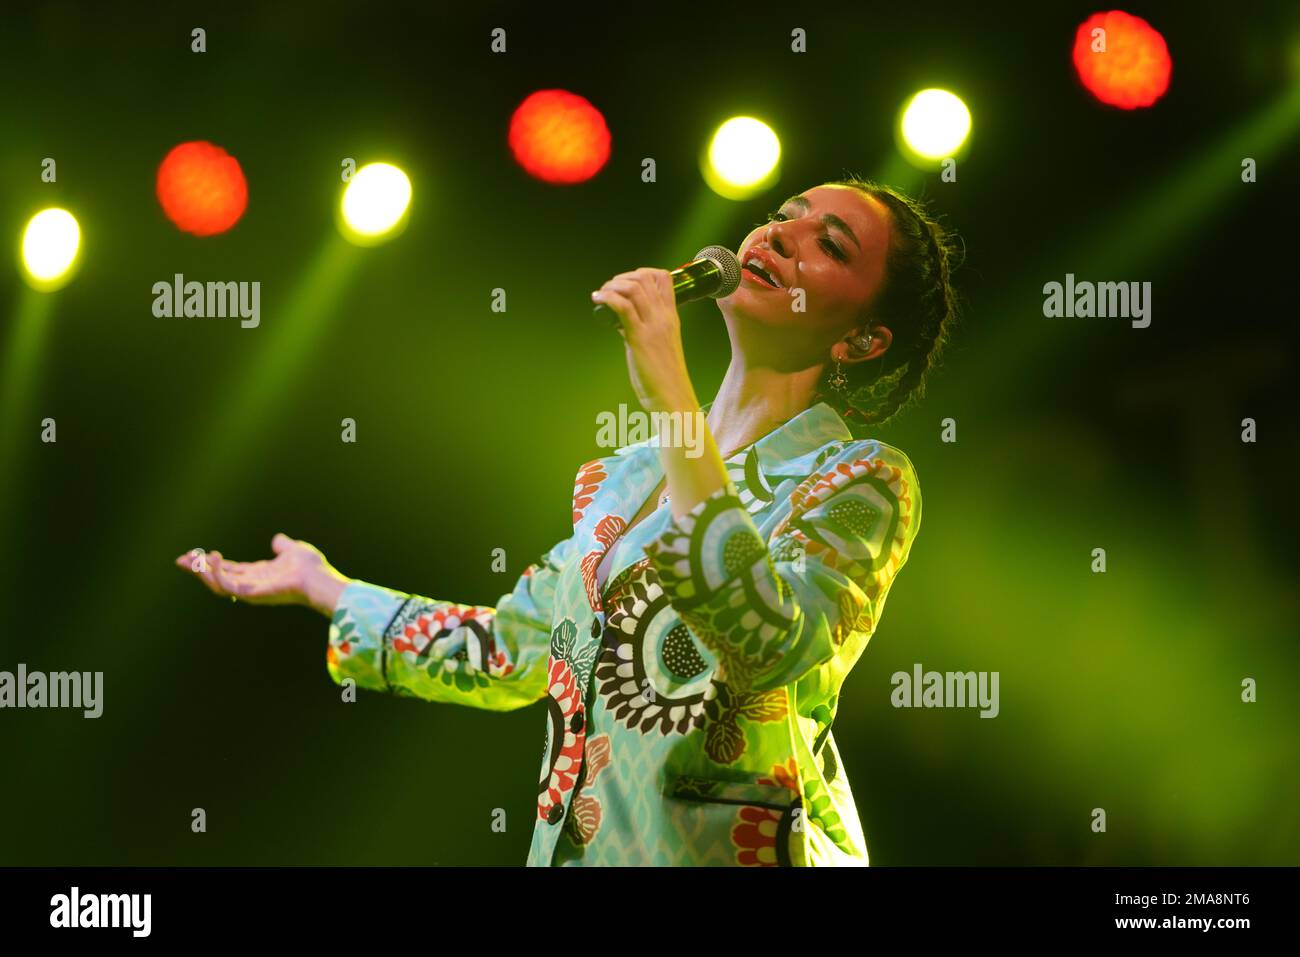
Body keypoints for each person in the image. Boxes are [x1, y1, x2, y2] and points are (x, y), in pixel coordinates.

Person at [175, 177, 960, 866]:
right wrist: (332, 590)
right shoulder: (623, 481)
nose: (781, 235)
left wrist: (671, 396)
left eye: (828, 243)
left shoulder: (858, 481)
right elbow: (513, 648)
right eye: (783, 214)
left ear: (862, 339)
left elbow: (770, 640)